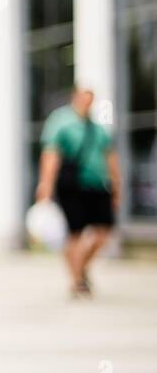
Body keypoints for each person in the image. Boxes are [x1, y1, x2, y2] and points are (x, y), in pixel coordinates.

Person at [35, 85, 122, 299]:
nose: (87, 101)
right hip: (71, 186)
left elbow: (110, 157)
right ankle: (76, 281)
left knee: (104, 231)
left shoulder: (97, 127)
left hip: (96, 184)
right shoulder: (61, 121)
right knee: (74, 234)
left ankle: (80, 267)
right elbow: (51, 154)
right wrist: (45, 184)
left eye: (91, 97)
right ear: (75, 96)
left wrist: (117, 186)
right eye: (84, 96)